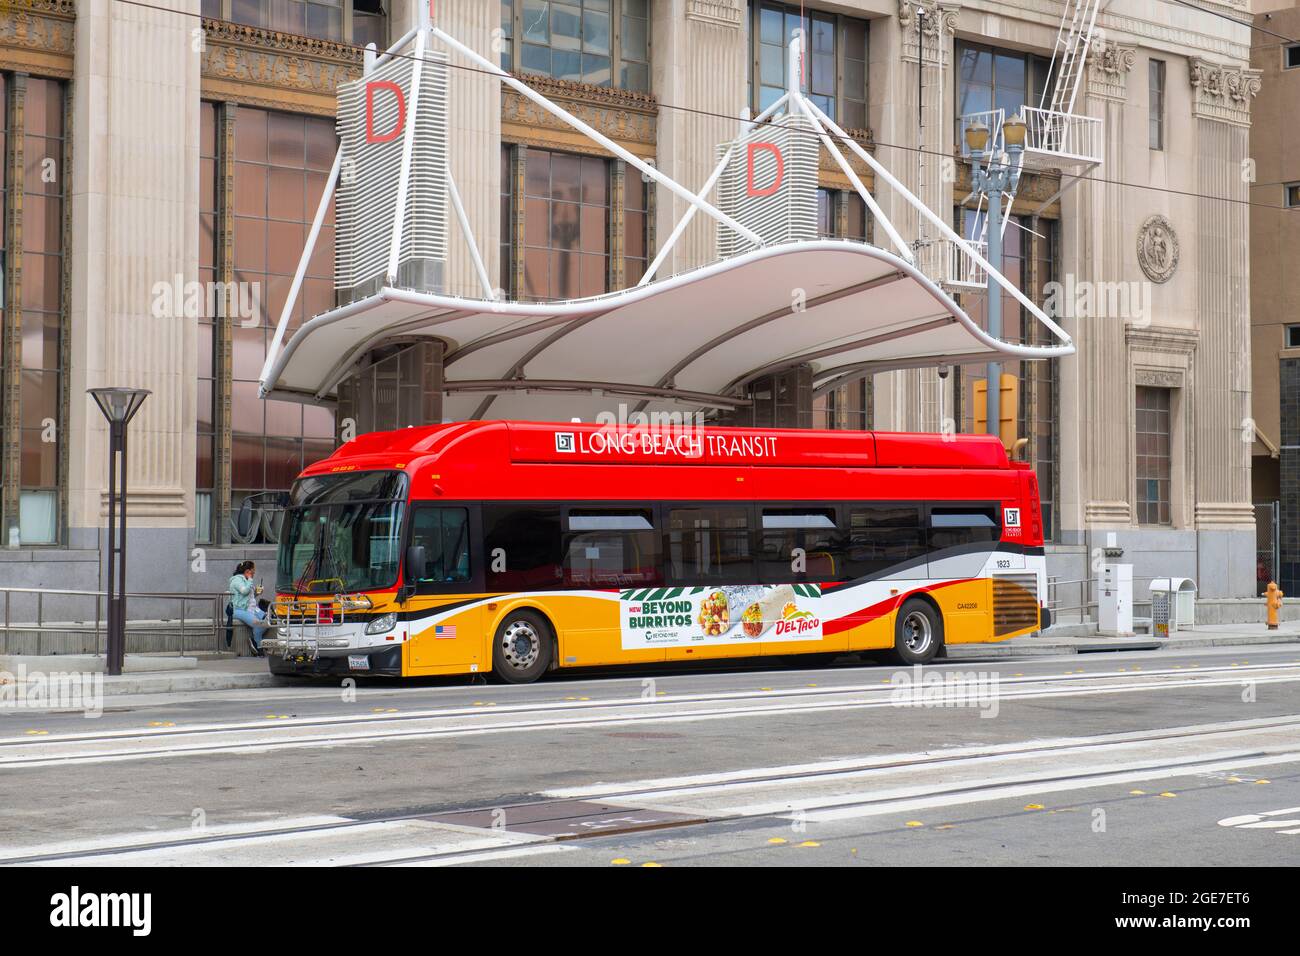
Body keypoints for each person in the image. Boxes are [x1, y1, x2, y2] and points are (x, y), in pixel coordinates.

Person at [228, 560, 268, 656]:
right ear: (248, 571)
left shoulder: (246, 580)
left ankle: (255, 639)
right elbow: (244, 591)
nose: (254, 572)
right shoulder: (237, 580)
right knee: (258, 624)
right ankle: (258, 645)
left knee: (268, 620)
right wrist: (250, 579)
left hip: (251, 608)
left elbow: (248, 597)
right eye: (253, 570)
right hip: (238, 610)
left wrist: (257, 593)